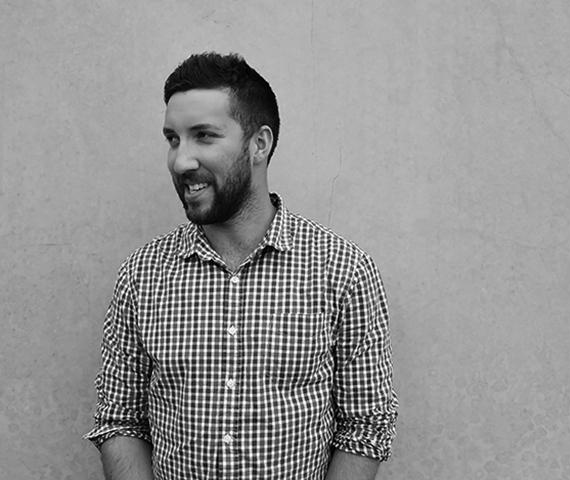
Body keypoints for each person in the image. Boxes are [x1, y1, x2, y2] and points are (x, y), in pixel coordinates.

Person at [85, 52, 398, 480]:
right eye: (173, 139)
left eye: (204, 136)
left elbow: (365, 426)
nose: (180, 161)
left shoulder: (342, 270)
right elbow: (120, 420)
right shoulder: (142, 275)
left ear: (259, 144)